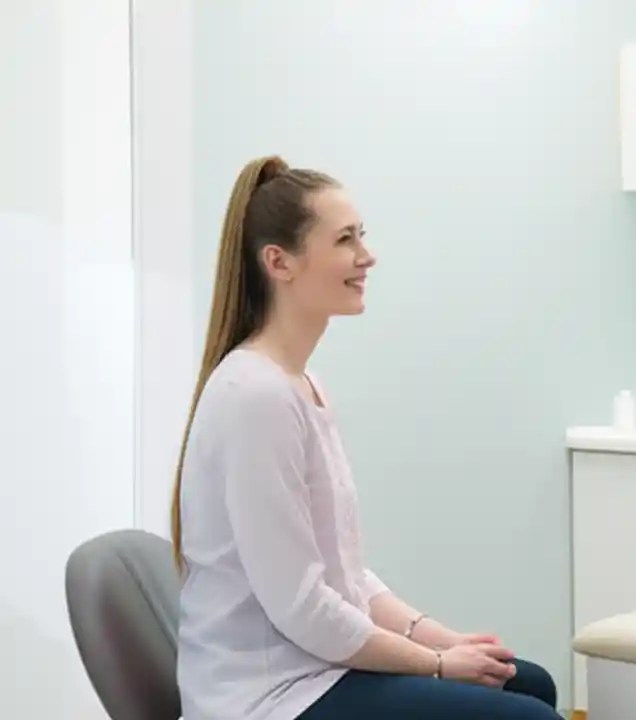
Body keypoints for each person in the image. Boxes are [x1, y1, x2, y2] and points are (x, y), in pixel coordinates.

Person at [172, 156, 561, 720]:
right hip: (269, 696)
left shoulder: (301, 384)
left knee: (530, 684)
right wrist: (433, 664)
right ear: (279, 262)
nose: (366, 255)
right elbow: (302, 606)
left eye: (362, 236)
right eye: (345, 240)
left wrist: (438, 638)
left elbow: (343, 577)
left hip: (318, 665)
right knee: (530, 716)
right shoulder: (254, 396)